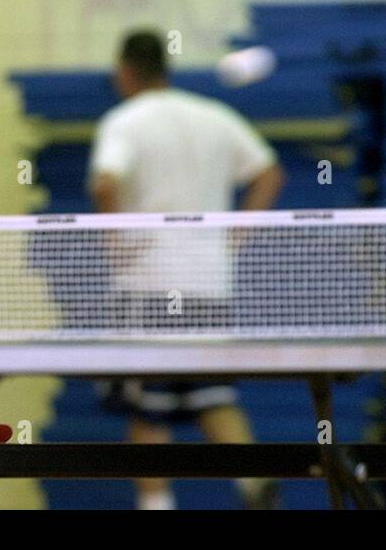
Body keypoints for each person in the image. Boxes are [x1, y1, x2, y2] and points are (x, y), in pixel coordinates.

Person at [88, 29, 286, 510]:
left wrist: (119, 240)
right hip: (208, 283)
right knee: (214, 397)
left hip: (148, 283)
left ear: (124, 70)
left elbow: (104, 182)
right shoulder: (215, 115)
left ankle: (156, 506)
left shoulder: (124, 120)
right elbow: (269, 173)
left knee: (146, 408)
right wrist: (234, 239)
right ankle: (253, 485)